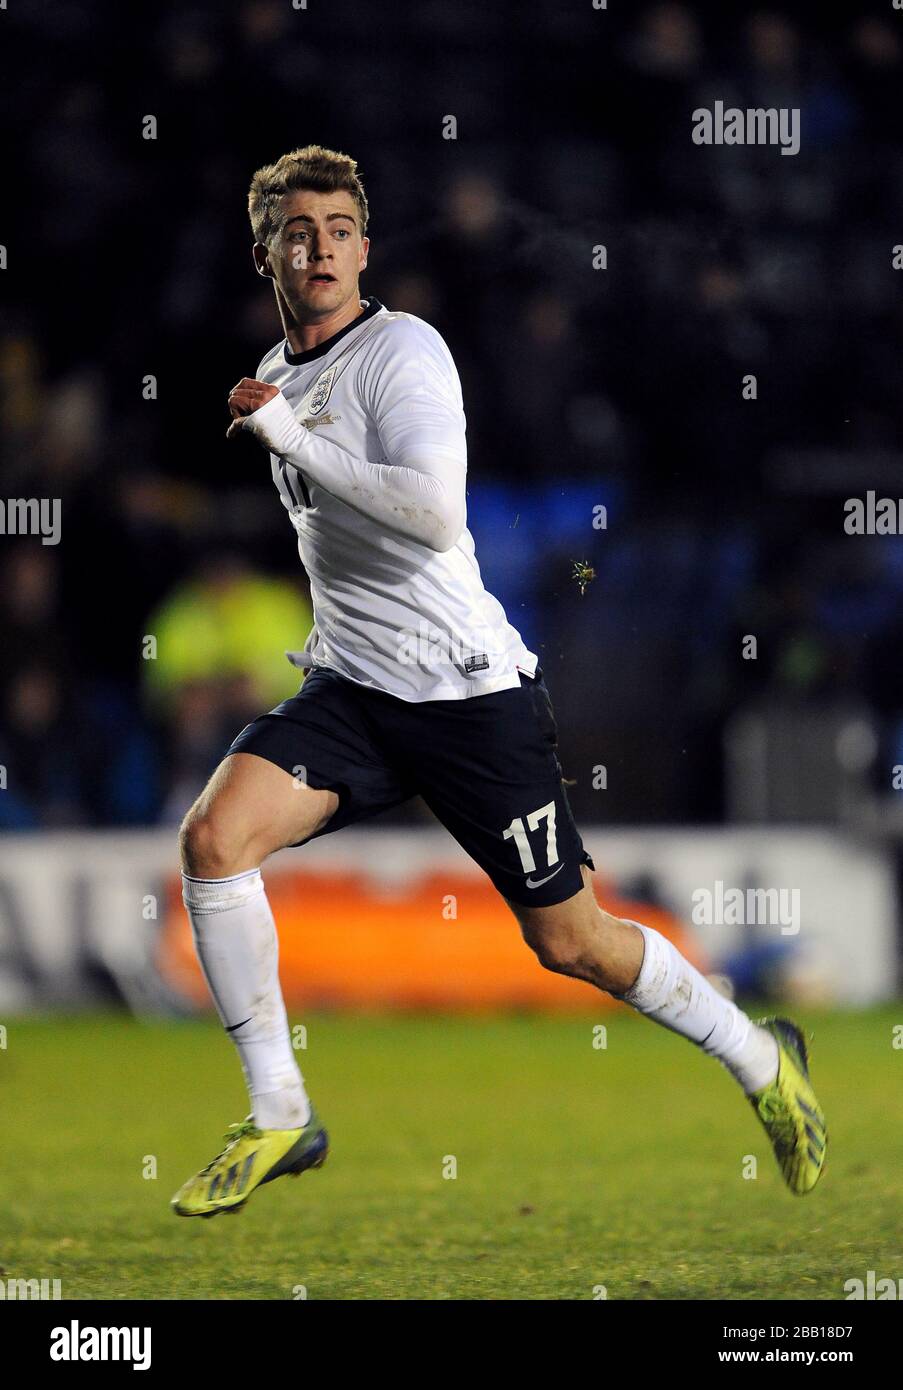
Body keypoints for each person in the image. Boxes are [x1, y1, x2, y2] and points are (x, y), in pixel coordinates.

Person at [171, 145, 826, 1218]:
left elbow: (435, 512)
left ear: (366, 247)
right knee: (212, 840)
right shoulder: (281, 370)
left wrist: (289, 434)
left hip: (467, 696)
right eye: (299, 231)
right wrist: (285, 420)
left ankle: (761, 1057)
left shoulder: (403, 354)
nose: (321, 246)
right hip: (355, 690)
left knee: (571, 940)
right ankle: (281, 1107)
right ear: (266, 256)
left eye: (340, 228)